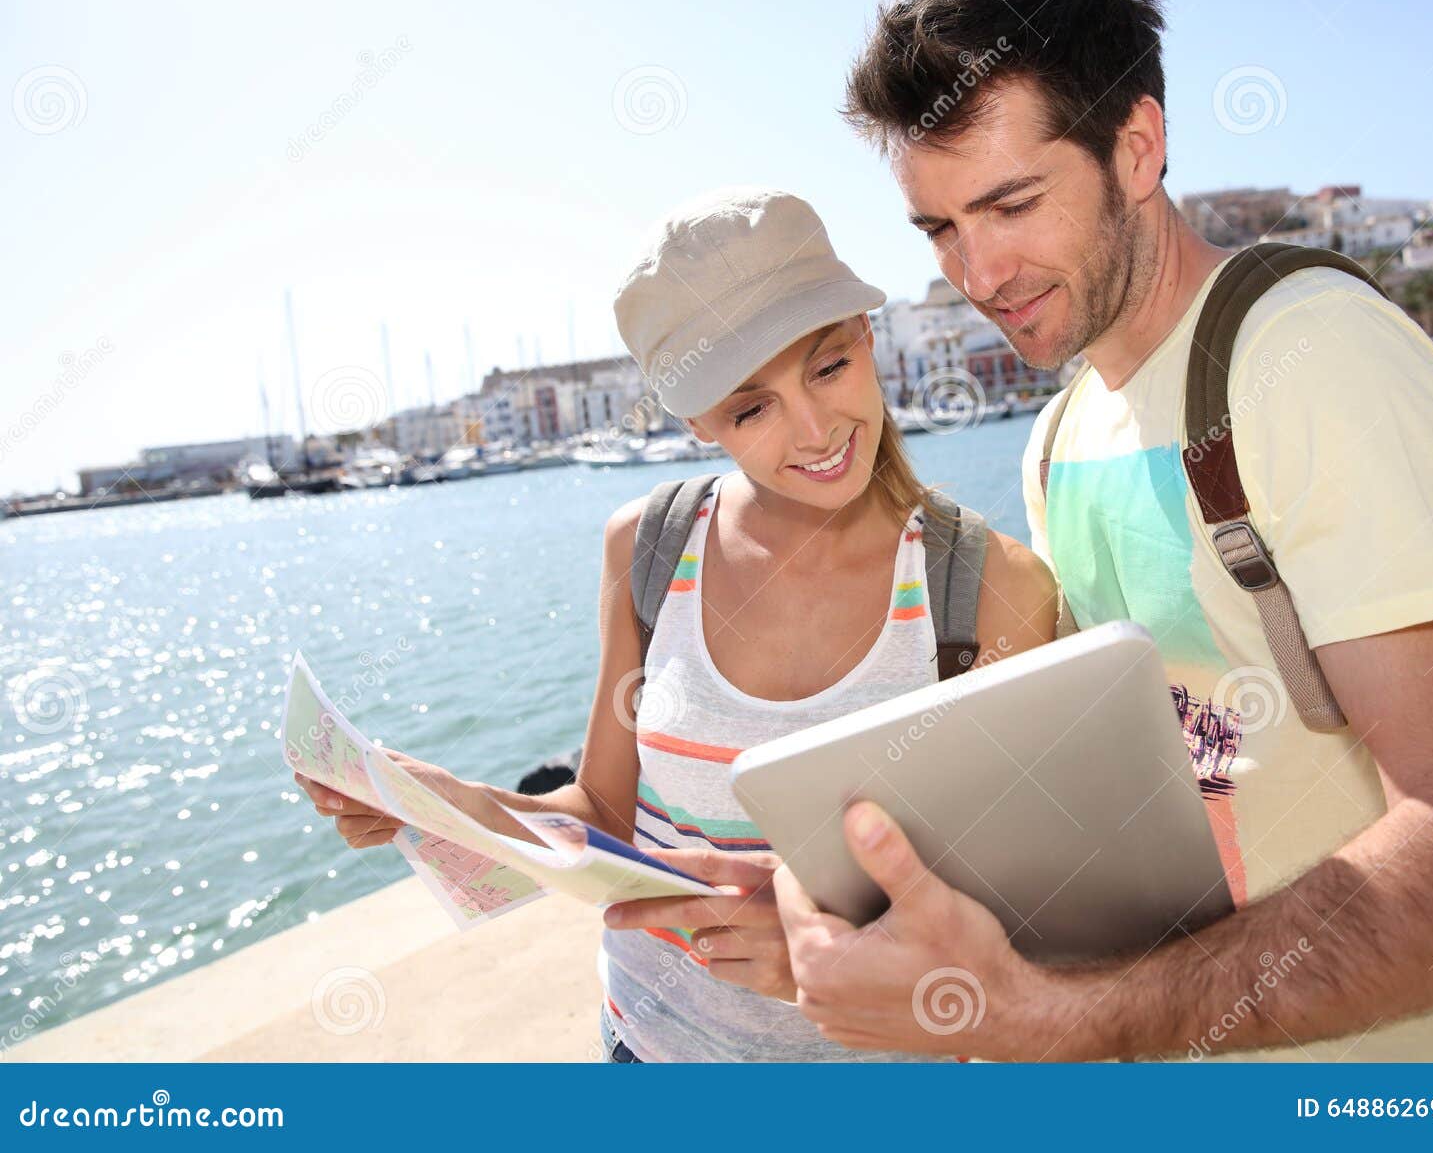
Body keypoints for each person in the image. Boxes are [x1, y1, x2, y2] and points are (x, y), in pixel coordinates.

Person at [771, 0, 1433, 1062]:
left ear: (1138, 147)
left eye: (1012, 204)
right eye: (941, 229)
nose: (978, 276)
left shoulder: (1312, 359)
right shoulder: (1058, 437)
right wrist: (852, 897)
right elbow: (1140, 780)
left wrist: (1068, 1017)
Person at [295, 186, 1059, 1061]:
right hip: (646, 1054)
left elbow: (1025, 897)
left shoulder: (989, 586)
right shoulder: (649, 548)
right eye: (750, 407)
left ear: (866, 334)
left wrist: (830, 942)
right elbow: (606, 813)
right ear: (697, 421)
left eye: (827, 365)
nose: (814, 430)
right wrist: (454, 808)